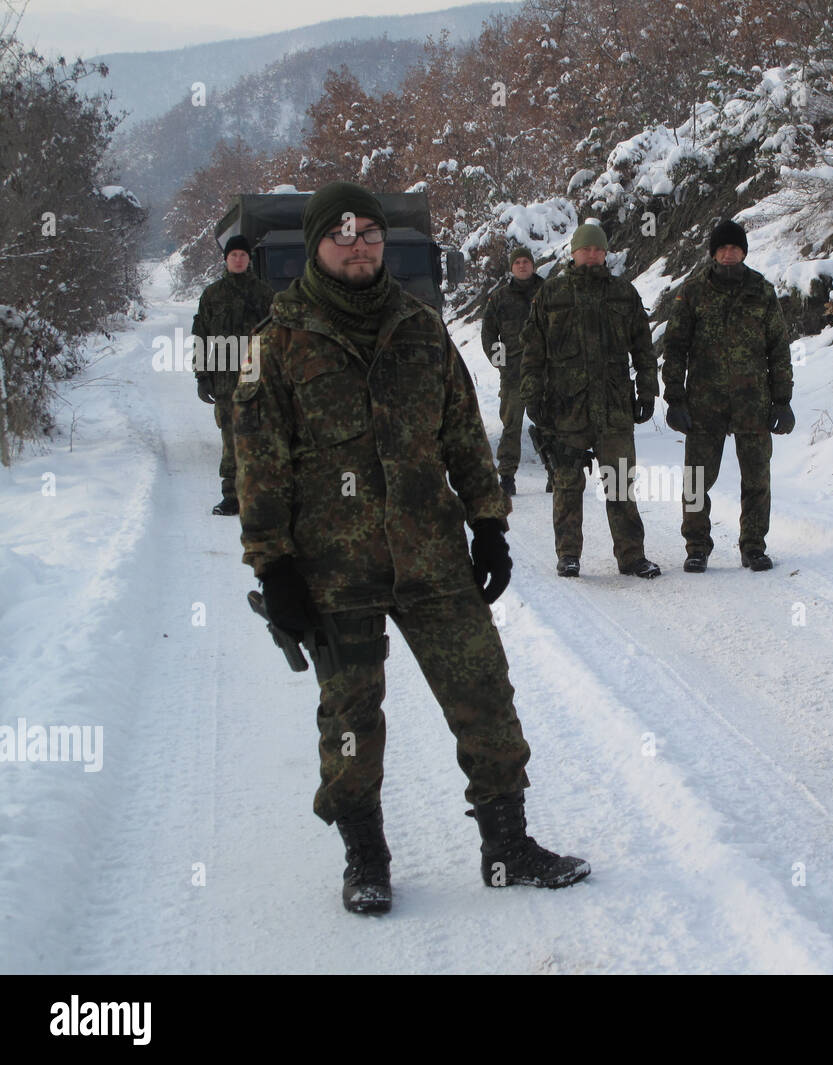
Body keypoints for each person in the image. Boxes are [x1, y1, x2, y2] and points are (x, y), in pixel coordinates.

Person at [232, 181, 589, 915]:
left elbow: (461, 428)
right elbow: (257, 468)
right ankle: (366, 857)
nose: (358, 246)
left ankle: (508, 844)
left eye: (368, 234)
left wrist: (487, 522)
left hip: (431, 555)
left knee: (486, 693)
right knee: (352, 720)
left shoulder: (421, 328)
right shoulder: (275, 345)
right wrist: (274, 568)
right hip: (335, 571)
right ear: (317, 247)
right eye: (342, 235)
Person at [520, 223, 661, 579]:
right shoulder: (551, 294)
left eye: (599, 250)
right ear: (574, 252)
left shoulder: (622, 293)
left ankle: (631, 555)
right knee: (567, 485)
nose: (593, 255)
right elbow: (533, 352)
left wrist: (647, 391)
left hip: (614, 409)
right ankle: (568, 555)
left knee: (619, 483)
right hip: (566, 409)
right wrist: (532, 396)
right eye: (586, 249)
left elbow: (643, 348)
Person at [660, 219, 794, 572]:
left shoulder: (761, 290)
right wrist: (674, 398)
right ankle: (697, 546)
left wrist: (782, 400)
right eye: (723, 248)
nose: (729, 253)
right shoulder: (692, 292)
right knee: (696, 479)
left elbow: (778, 349)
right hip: (704, 403)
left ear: (744, 251)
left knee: (756, 478)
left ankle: (753, 546)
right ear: (714, 253)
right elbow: (674, 347)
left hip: (753, 403)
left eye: (735, 248)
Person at [192, 234, 274, 515]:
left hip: (258, 376)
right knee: (230, 436)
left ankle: (258, 495)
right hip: (224, 379)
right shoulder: (212, 295)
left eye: (243, 254)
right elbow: (201, 335)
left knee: (259, 435)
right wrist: (202, 375)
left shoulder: (265, 294)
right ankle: (231, 495)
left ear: (249, 259)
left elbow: (277, 336)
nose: (238, 259)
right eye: (233, 255)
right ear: (226, 260)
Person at [480, 247, 544, 496]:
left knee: (548, 423)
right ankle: (506, 477)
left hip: (544, 371)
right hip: (513, 374)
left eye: (526, 261)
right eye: (517, 262)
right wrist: (500, 362)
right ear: (511, 267)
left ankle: (554, 470)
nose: (522, 265)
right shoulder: (499, 298)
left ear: (533, 265)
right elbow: (489, 333)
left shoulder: (547, 291)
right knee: (511, 425)